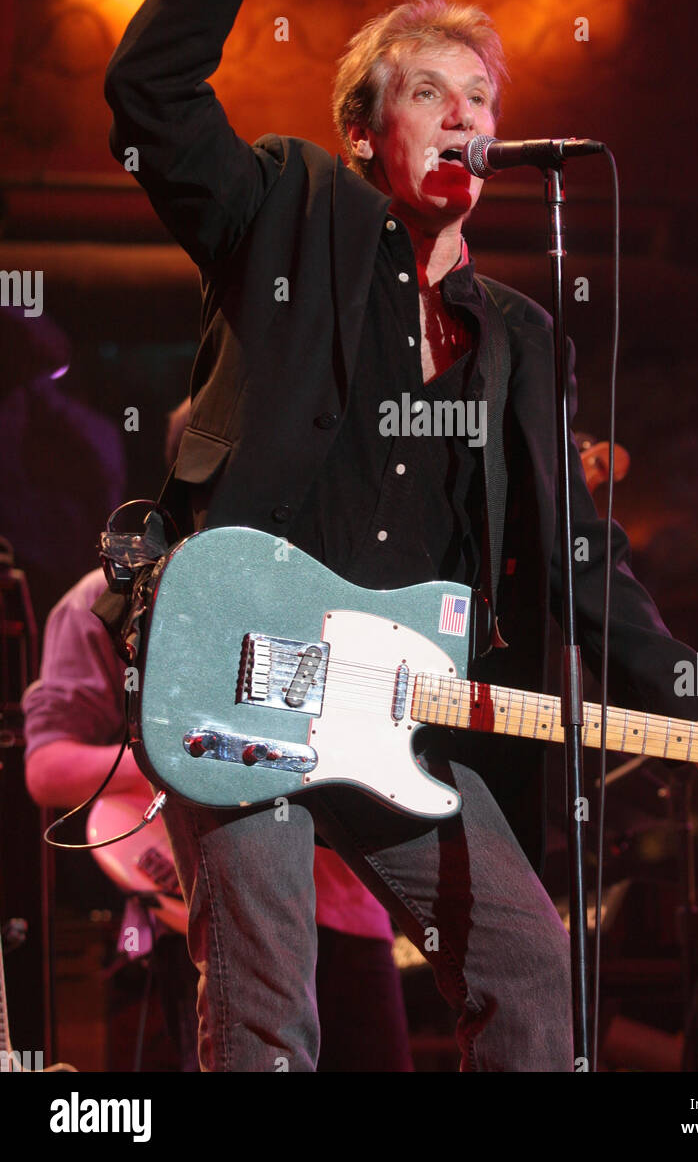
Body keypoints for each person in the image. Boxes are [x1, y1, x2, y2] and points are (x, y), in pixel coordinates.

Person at [101, 0, 698, 1073]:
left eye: (481, 100)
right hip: (241, 675)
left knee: (528, 968)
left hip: (400, 714)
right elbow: (149, 98)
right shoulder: (290, 213)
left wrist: (697, 695)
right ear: (363, 133)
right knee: (268, 1002)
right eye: (430, 94)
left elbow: (580, 559)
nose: (466, 117)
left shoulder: (518, 342)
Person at [23, 405, 412, 1073]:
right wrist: (200, 759)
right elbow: (49, 768)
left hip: (343, 907)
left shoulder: (334, 601)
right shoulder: (106, 604)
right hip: (196, 903)